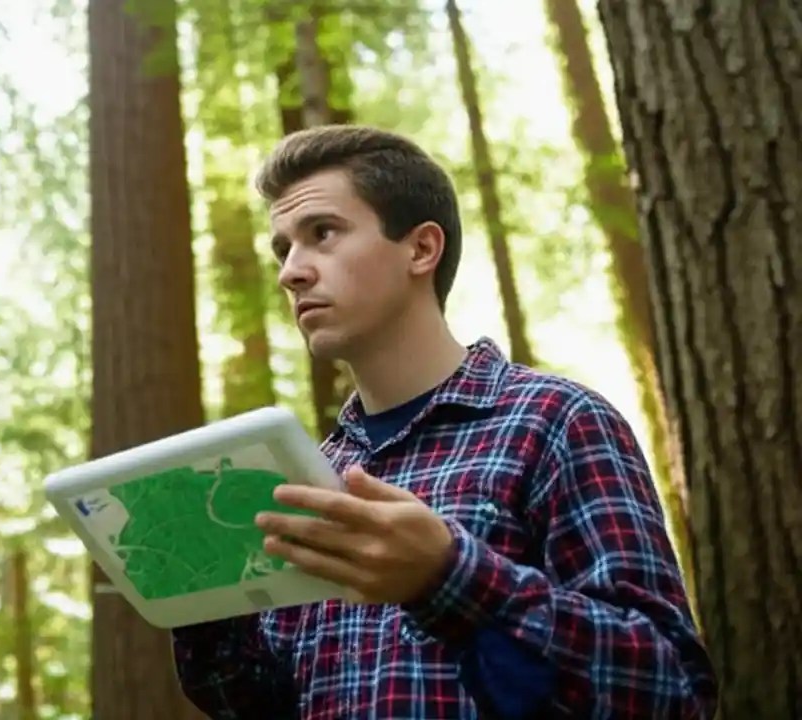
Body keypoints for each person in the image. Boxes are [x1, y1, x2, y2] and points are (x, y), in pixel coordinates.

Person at [170, 125, 718, 719]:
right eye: (283, 250)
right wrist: (201, 602)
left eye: (322, 233)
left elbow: (672, 692)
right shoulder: (305, 478)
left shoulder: (557, 421)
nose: (291, 272)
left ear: (421, 249)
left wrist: (450, 576)